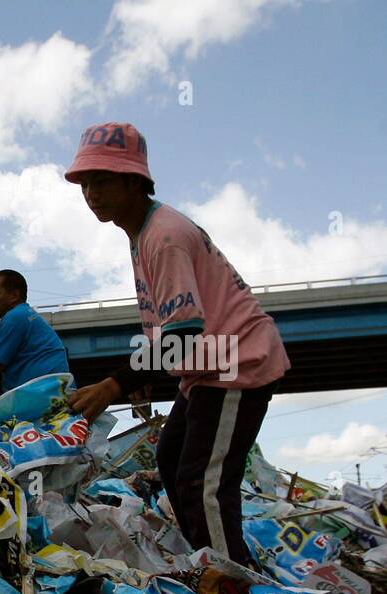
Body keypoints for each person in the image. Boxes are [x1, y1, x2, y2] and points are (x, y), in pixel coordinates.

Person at [63, 121, 289, 567]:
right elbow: (169, 323)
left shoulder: (164, 236)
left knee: (201, 483)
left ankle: (234, 588)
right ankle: (207, 561)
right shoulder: (143, 233)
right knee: (171, 462)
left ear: (134, 180)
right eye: (85, 183)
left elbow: (183, 330)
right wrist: (147, 374)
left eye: (102, 181)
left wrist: (115, 385)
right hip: (207, 368)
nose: (91, 193)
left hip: (236, 362)